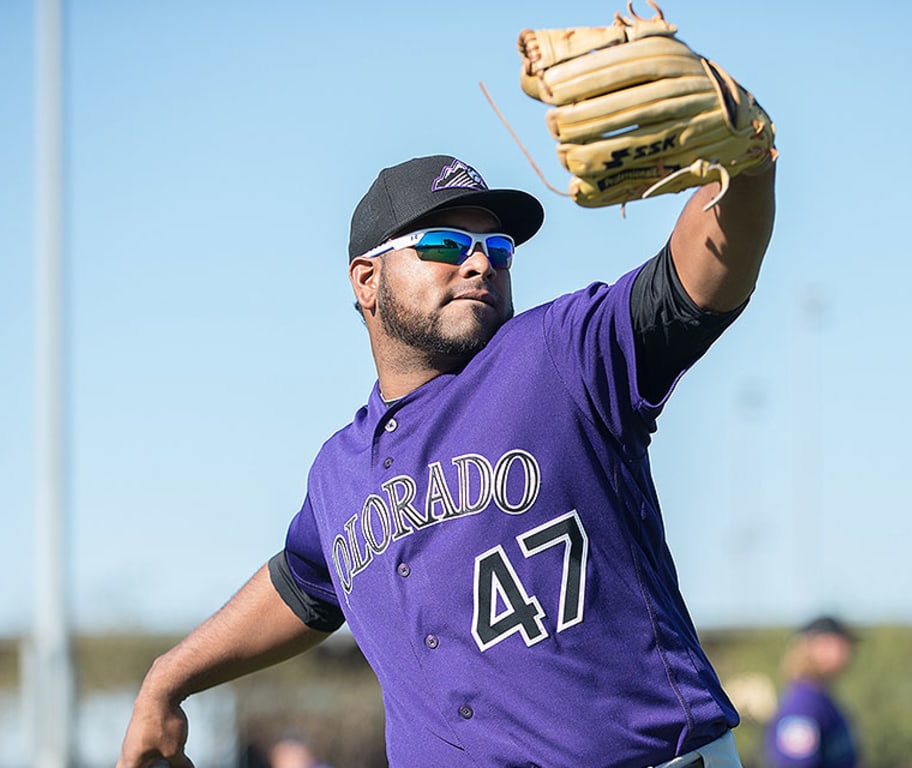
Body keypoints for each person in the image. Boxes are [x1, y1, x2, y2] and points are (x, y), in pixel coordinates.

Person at [115, 148, 775, 767]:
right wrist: (167, 679)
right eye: (443, 245)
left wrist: (744, 170)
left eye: (498, 249)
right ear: (367, 280)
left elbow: (693, 283)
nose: (481, 262)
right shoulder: (339, 471)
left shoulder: (558, 355)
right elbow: (302, 582)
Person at [763, 616, 860, 768]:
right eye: (841, 644)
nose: (849, 652)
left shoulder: (821, 697)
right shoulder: (803, 703)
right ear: (817, 647)